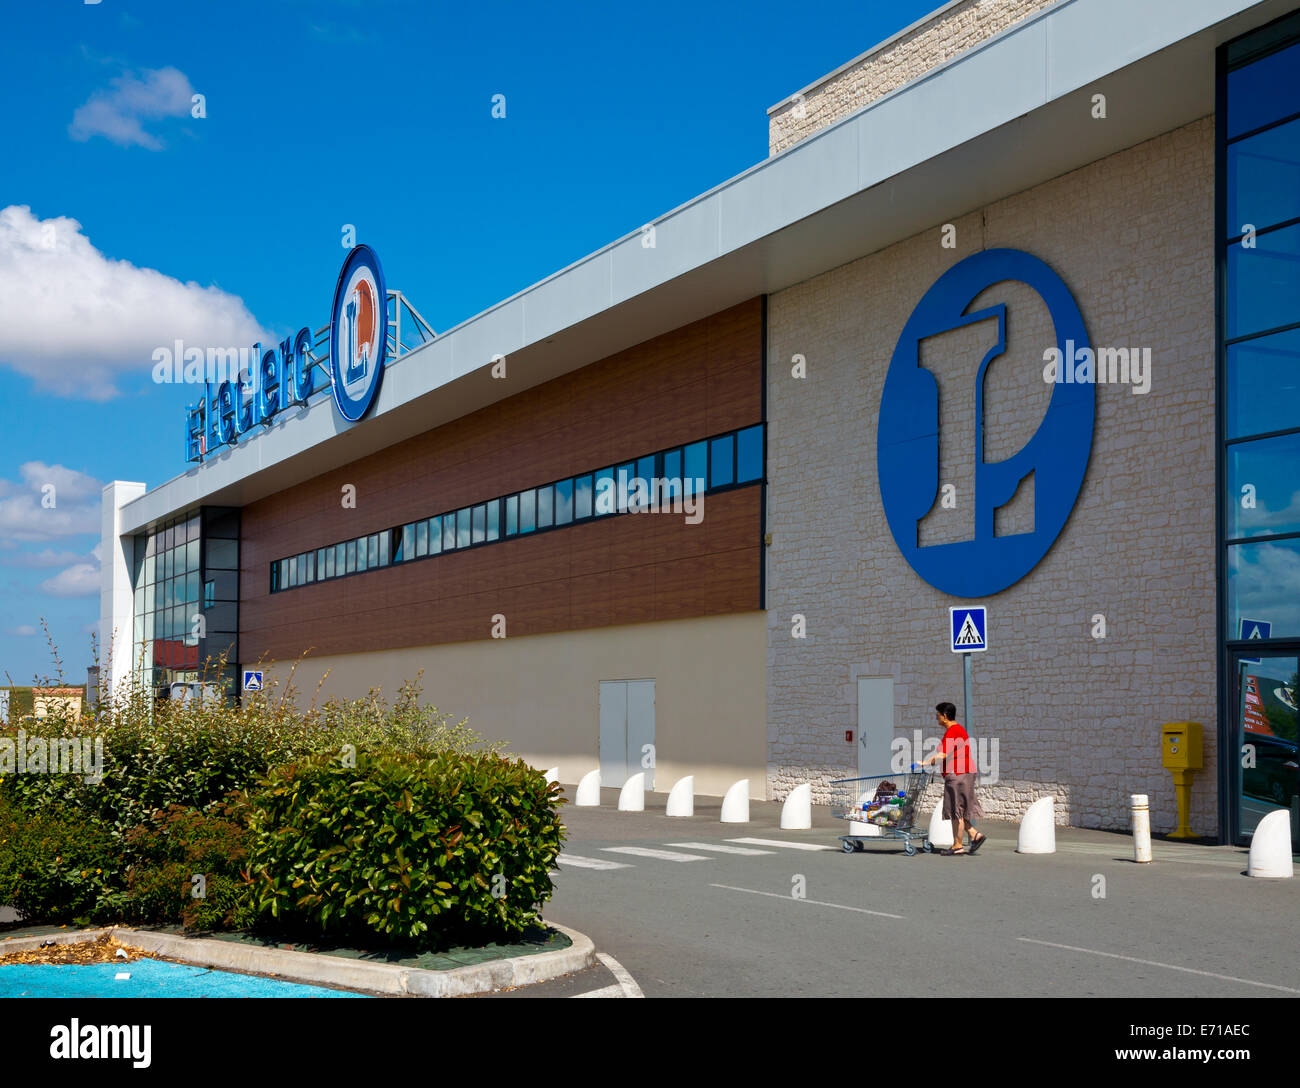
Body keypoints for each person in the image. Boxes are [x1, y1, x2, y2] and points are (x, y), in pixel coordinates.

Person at [918, 702, 986, 856]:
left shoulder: (953, 731)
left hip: (957, 774)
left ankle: (957, 845)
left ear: (945, 716)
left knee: (956, 810)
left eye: (938, 716)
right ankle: (975, 835)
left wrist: (925, 762)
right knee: (959, 810)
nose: (937, 719)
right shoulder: (958, 730)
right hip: (964, 772)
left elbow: (943, 754)